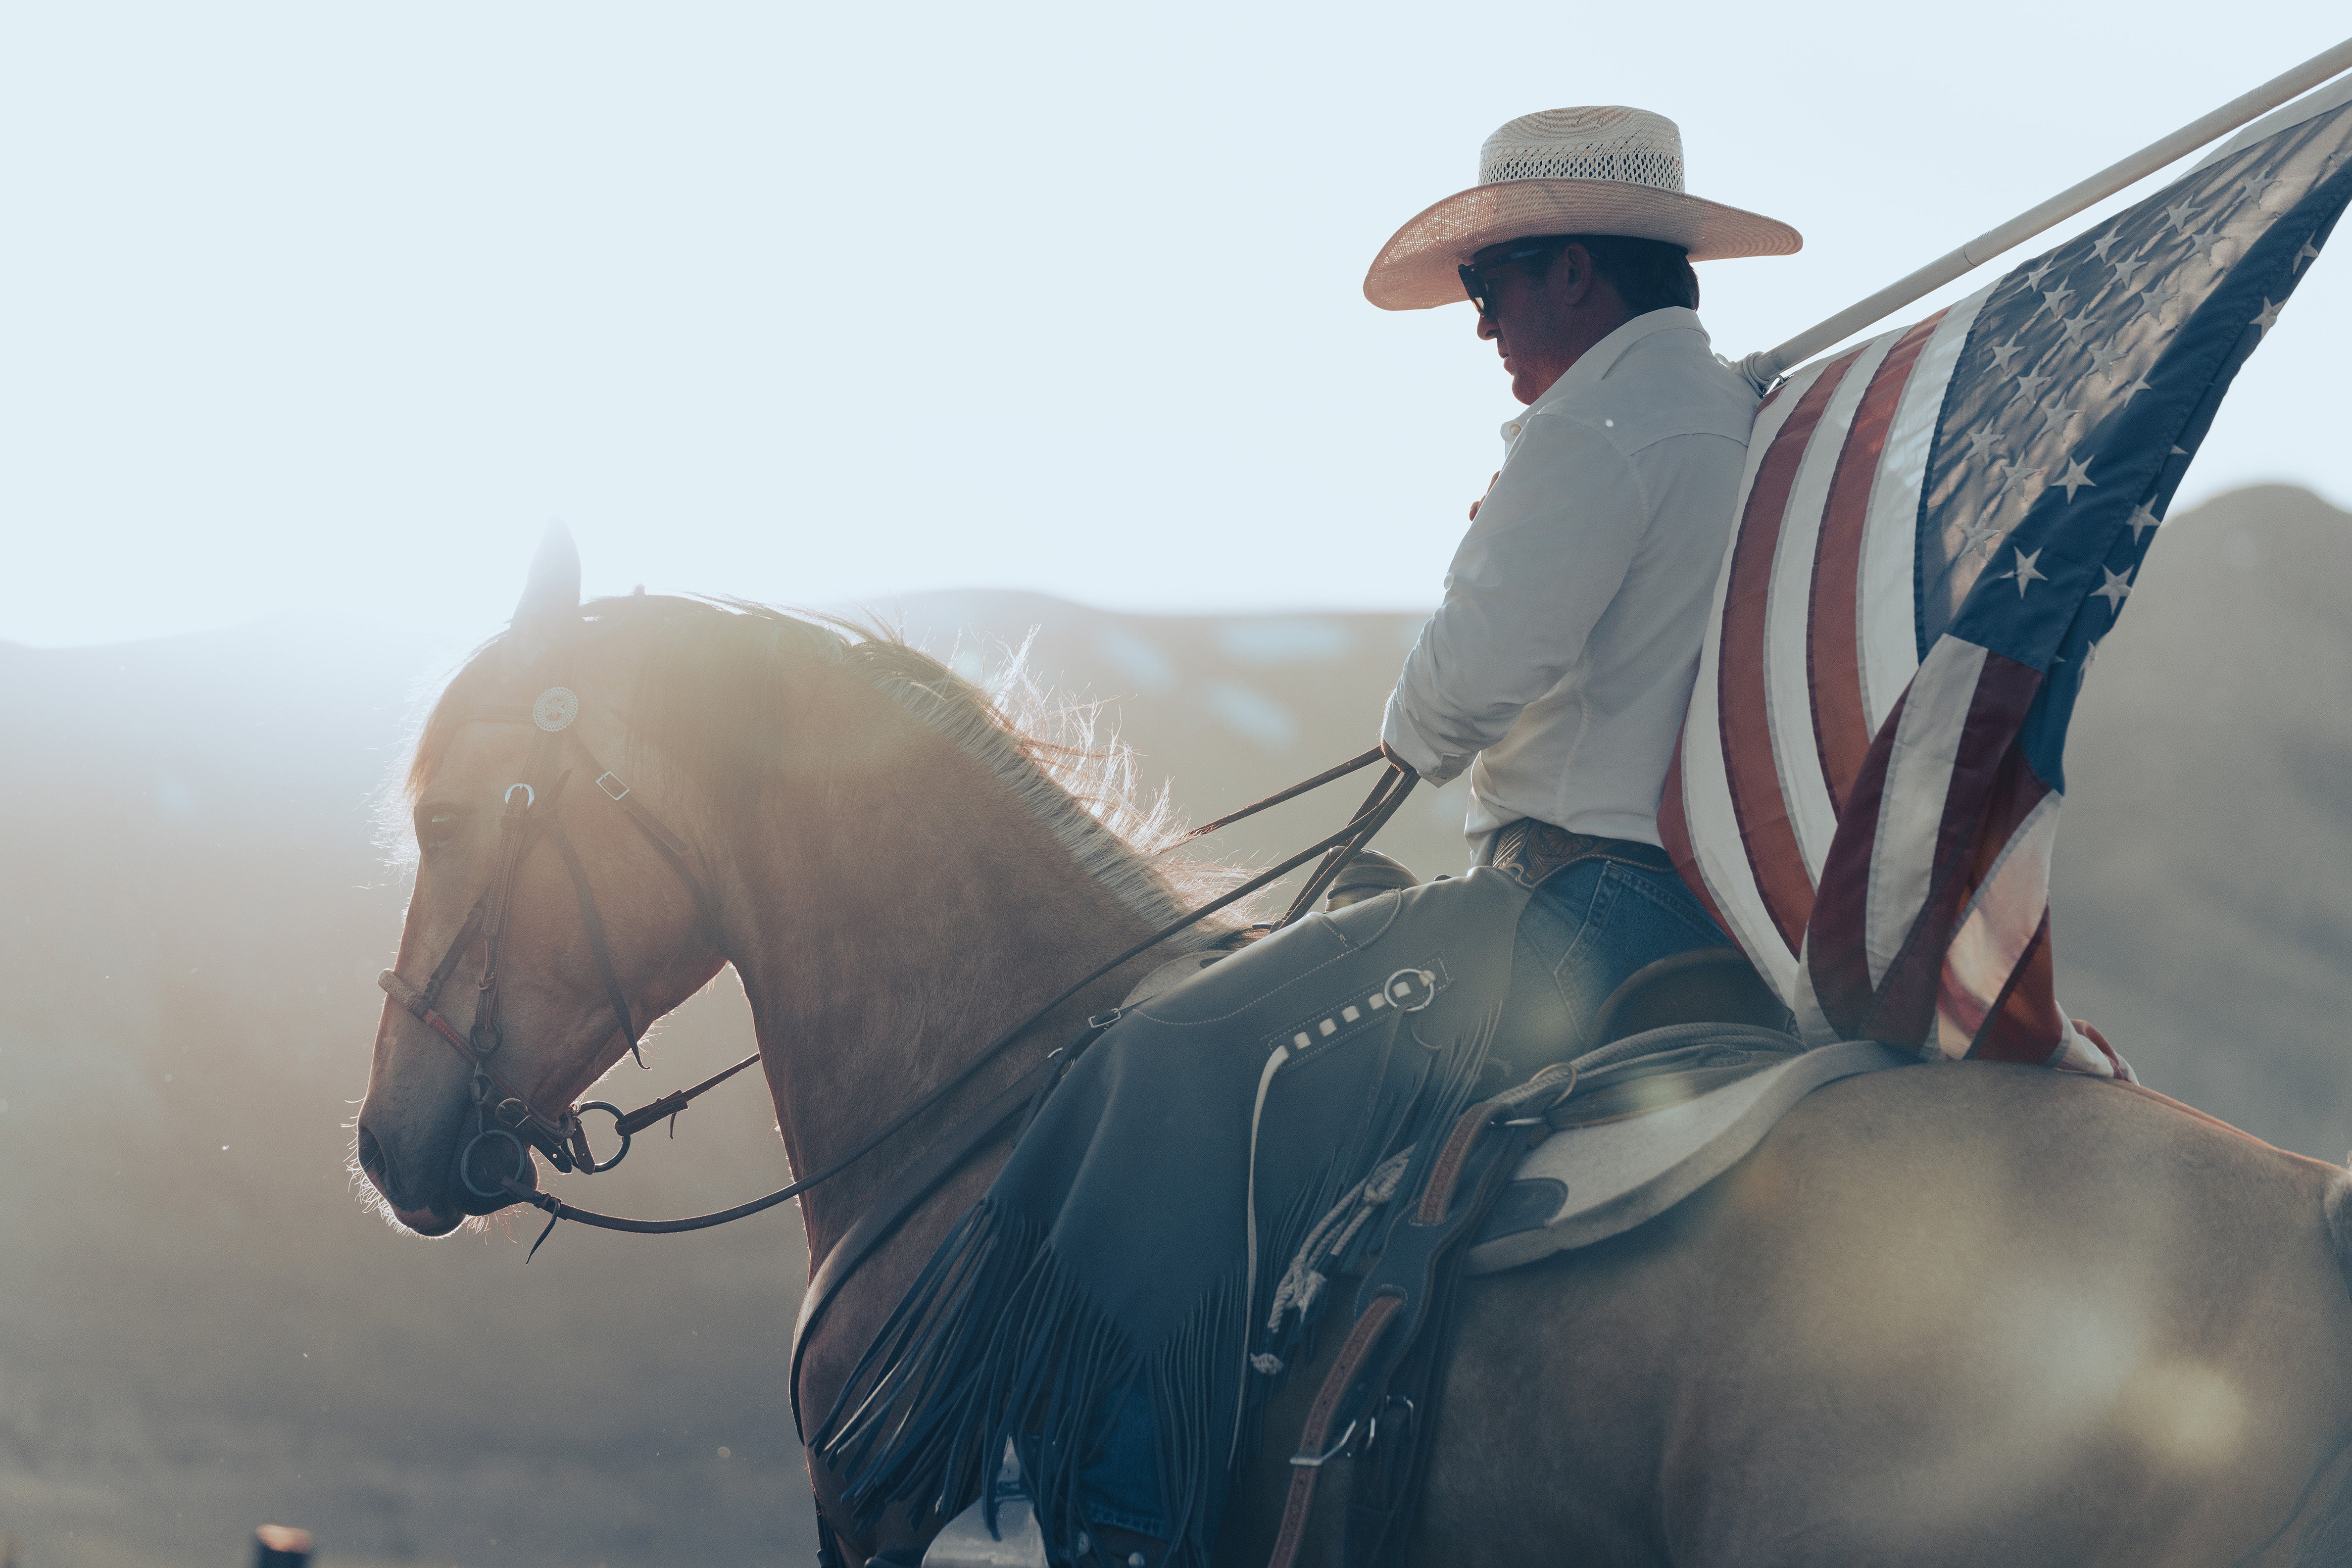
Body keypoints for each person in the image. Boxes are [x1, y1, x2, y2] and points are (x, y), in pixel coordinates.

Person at [1363, 105, 1802, 1065]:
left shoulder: (1589, 430)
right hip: (1723, 920)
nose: (1481, 323)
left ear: (1571, 269)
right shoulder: (1742, 412)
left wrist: (1402, 729)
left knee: (1301, 1103)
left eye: (1488, 282)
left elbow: (1455, 699)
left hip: (1582, 903)